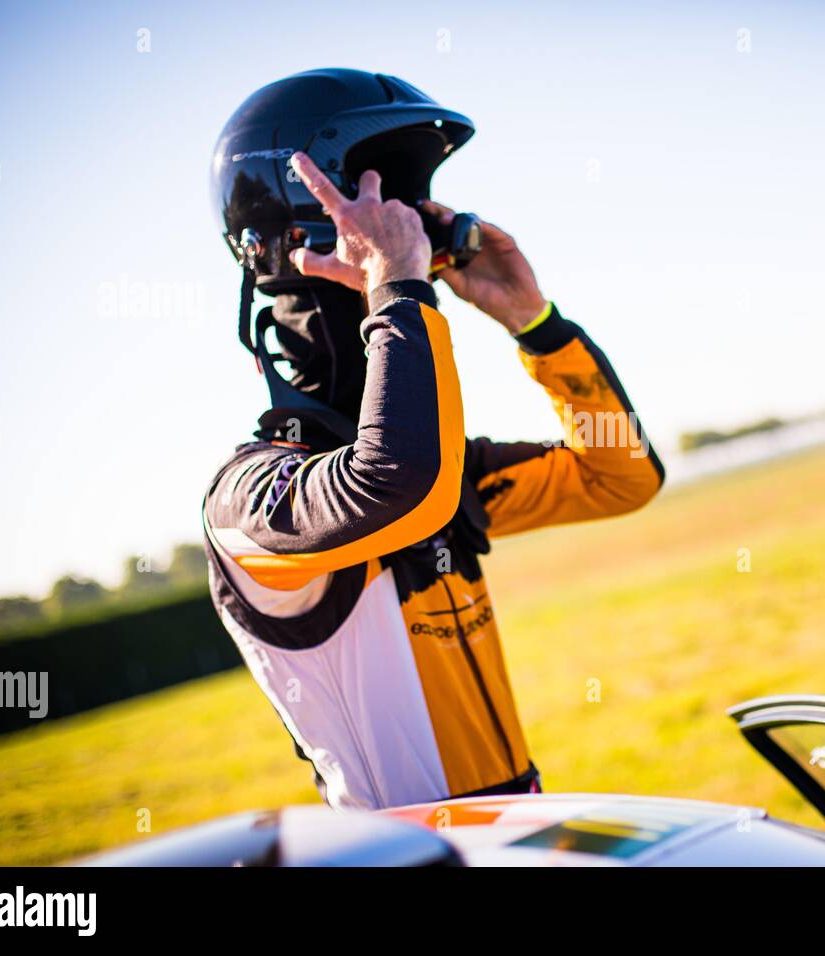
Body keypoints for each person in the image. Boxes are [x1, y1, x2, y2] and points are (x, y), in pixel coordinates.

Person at [202, 70, 663, 809]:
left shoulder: (448, 469)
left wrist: (535, 324)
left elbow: (622, 479)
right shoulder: (247, 503)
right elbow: (393, 484)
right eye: (385, 216)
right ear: (301, 240)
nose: (413, 237)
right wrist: (399, 287)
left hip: (516, 839)